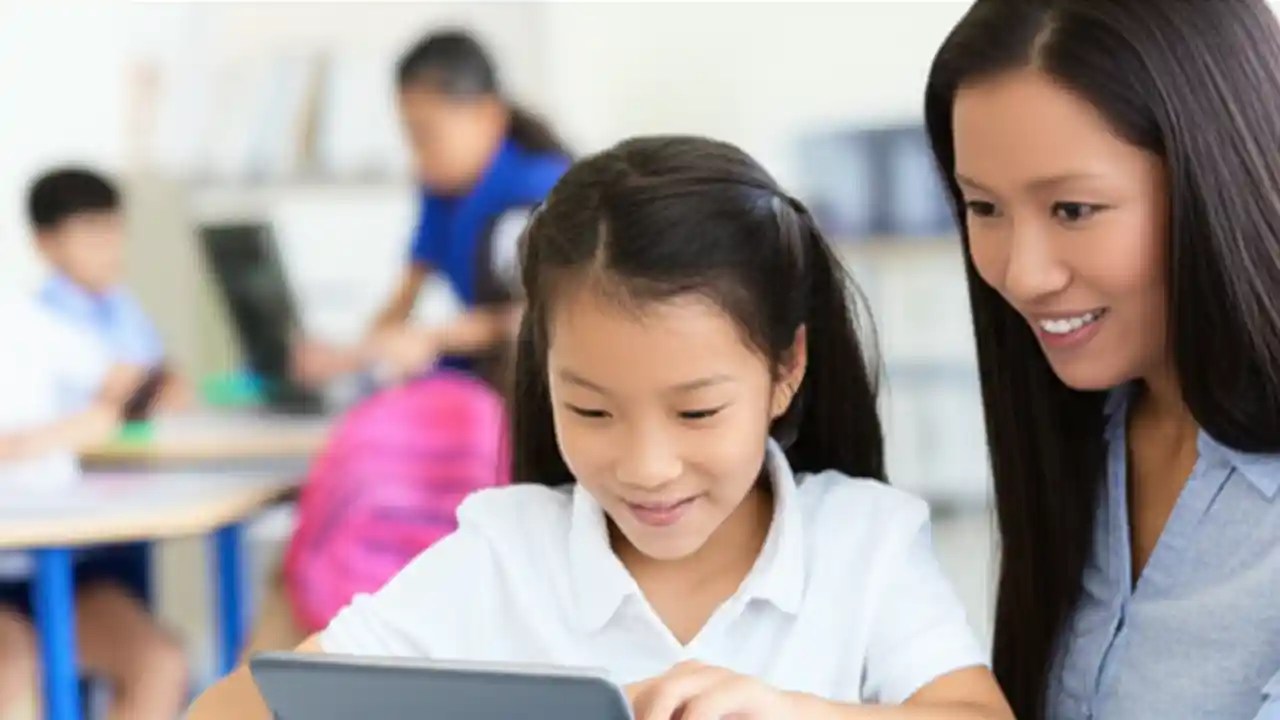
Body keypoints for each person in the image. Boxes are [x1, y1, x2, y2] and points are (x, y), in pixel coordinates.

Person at [189, 135, 1013, 719]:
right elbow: (233, 709)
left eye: (696, 411)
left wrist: (793, 713)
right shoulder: (507, 552)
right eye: (590, 409)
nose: (647, 467)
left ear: (786, 370)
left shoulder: (863, 541)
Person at [924, 0, 1280, 717]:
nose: (1022, 276)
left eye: (1073, 210)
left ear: (1215, 183)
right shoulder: (1083, 434)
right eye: (983, 208)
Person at [294, 29, 570, 391]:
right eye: (409, 137)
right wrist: (350, 356)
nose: (418, 156)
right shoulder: (443, 191)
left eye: (427, 135)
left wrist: (432, 338)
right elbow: (403, 299)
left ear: (488, 116)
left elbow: (535, 317)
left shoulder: (540, 192)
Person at [0, 296, 188, 720]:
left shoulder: (22, 317)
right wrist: (39, 440)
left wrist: (135, 390)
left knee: (158, 663)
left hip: (58, 570)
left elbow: (126, 376)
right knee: (11, 671)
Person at [28, 167, 188, 416]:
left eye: (113, 230)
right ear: (46, 243)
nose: (109, 248)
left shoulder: (122, 303)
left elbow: (161, 377)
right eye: (92, 234)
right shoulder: (38, 320)